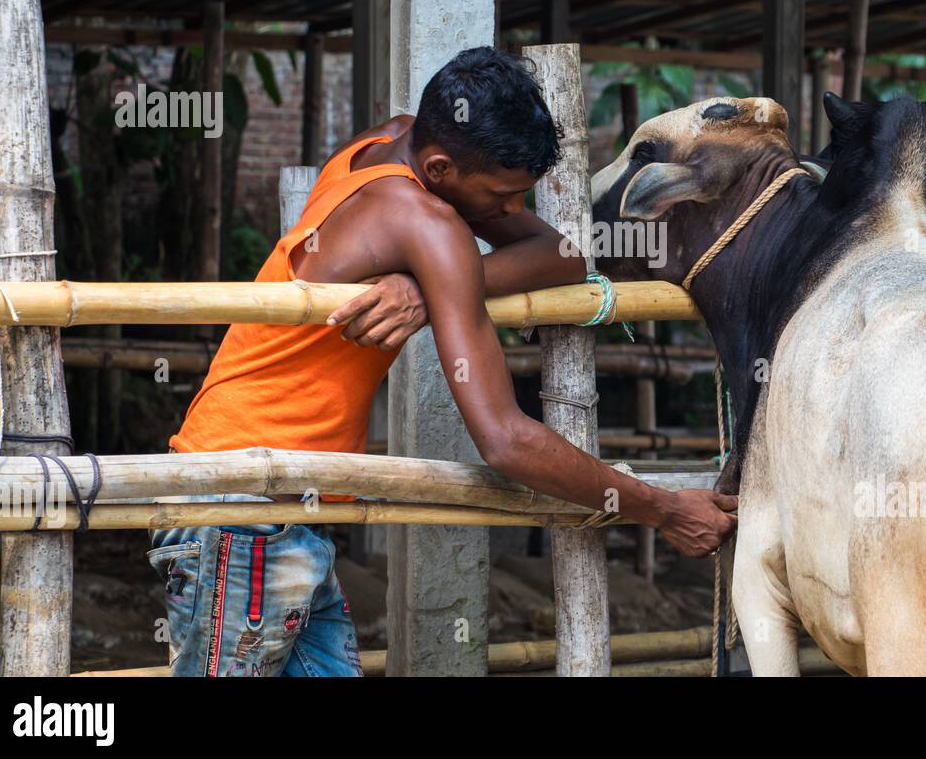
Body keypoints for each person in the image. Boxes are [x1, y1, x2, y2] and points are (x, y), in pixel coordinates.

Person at [147, 46, 738, 676]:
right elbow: (506, 441)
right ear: (439, 166)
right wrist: (664, 508)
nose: (513, 212)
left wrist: (434, 288)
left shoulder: (387, 143)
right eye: (503, 196)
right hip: (242, 505)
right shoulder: (431, 226)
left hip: (285, 506)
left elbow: (564, 255)